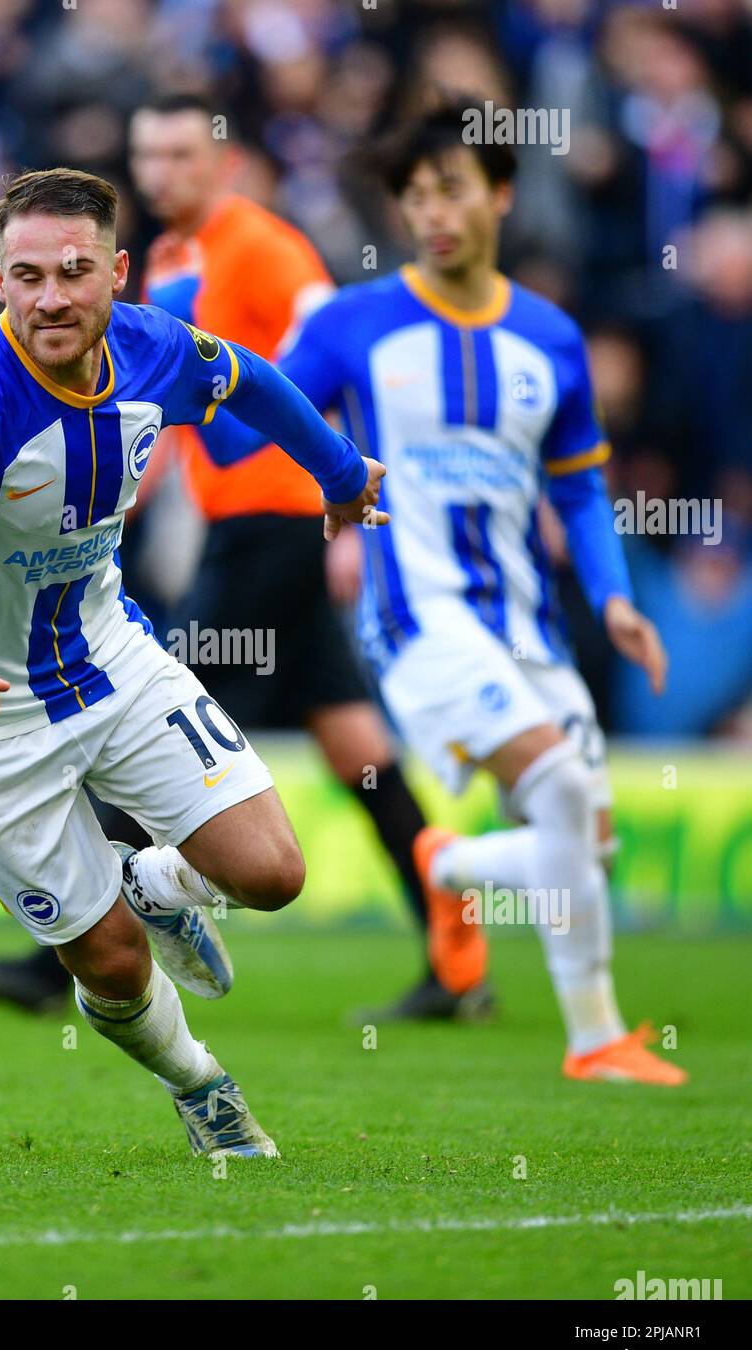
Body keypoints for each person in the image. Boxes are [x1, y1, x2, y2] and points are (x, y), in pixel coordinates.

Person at [0, 166, 388, 1158]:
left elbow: (244, 377)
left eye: (75, 271)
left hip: (108, 658)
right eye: (27, 275)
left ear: (117, 272)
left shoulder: (150, 346)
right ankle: (200, 1084)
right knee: (113, 966)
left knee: (272, 872)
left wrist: (337, 472)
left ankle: (158, 881)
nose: (51, 297)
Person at [197, 99, 687, 1084]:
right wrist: (200, 357)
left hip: (527, 626)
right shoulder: (353, 325)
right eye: (414, 197)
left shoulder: (549, 338)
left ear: (502, 194)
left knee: (585, 841)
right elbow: (237, 435)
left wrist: (614, 595)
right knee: (559, 784)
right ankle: (595, 1040)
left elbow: (582, 487)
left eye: (452, 190)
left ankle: (450, 865)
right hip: (416, 622)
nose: (433, 214)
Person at [131, 93, 481, 1021]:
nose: (161, 173)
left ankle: (74, 951)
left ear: (224, 163)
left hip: (282, 531)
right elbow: (167, 410)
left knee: (145, 721)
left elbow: (336, 365)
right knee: (361, 754)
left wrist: (357, 511)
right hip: (238, 530)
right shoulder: (167, 261)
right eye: (148, 157)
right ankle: (460, 966)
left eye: (179, 154)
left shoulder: (265, 249)